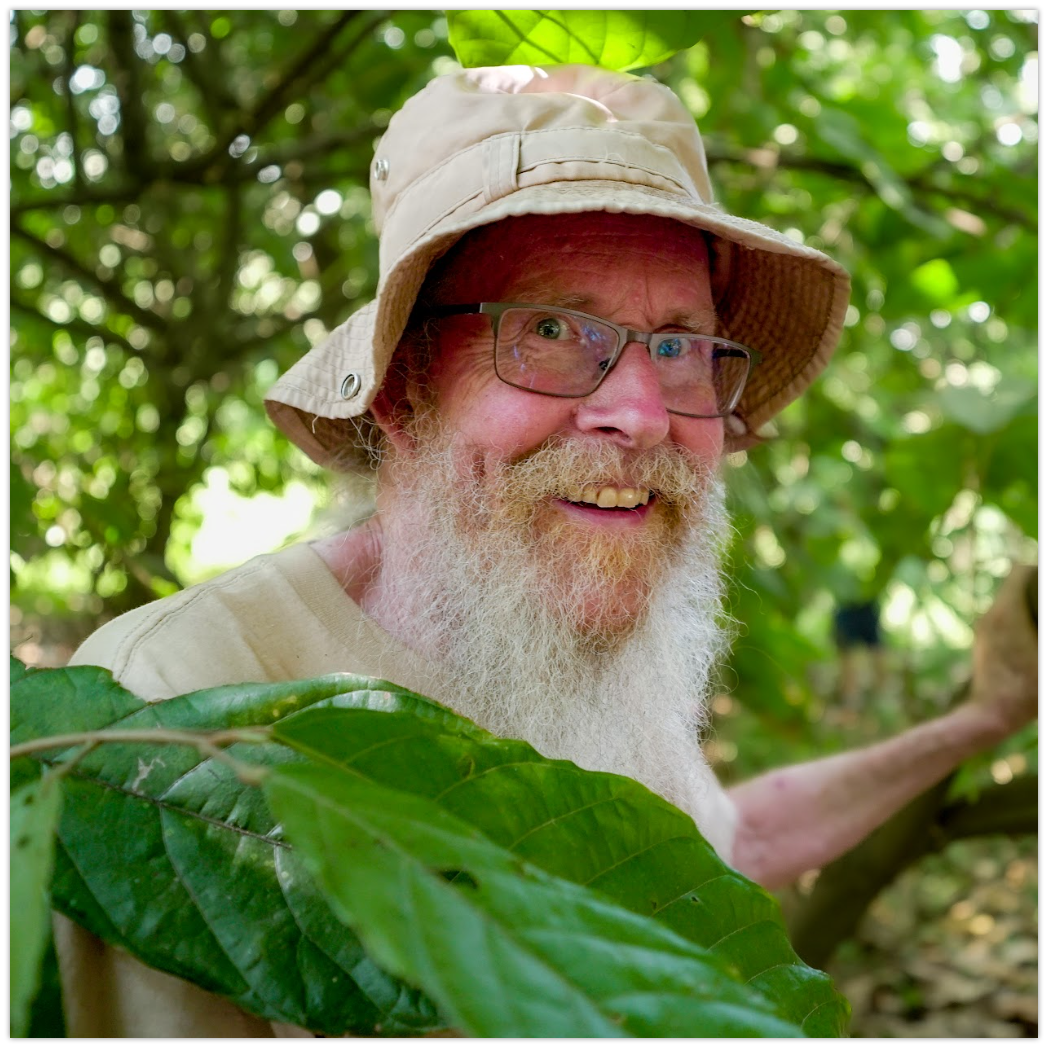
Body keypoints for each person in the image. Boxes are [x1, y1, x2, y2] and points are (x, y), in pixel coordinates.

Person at [56, 65, 1037, 1037]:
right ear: (401, 389)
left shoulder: (564, 651)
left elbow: (710, 854)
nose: (642, 414)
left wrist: (980, 718)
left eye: (679, 345)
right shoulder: (176, 703)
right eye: (552, 328)